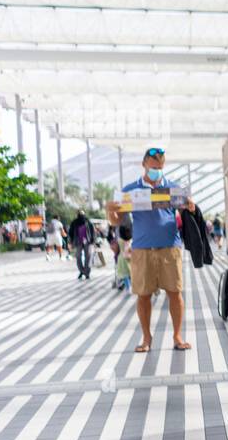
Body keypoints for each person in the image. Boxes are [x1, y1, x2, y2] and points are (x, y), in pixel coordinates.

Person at [106, 147, 196, 353]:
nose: (157, 171)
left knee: (175, 292)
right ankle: (146, 337)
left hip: (170, 248)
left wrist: (191, 206)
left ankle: (177, 335)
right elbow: (116, 220)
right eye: (154, 167)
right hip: (142, 250)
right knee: (143, 295)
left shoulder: (173, 188)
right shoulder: (129, 191)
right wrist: (110, 211)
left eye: (160, 168)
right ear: (144, 164)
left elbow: (189, 211)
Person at [69, 208, 96, 279]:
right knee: (78, 257)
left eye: (82, 214)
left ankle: (87, 272)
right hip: (78, 242)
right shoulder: (74, 222)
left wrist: (93, 241)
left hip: (88, 241)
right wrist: (71, 241)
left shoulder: (88, 222)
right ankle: (81, 271)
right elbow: (71, 232)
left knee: (88, 257)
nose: (81, 216)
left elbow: (92, 231)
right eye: (80, 214)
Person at [115, 223, 133, 293]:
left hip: (122, 258)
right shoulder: (130, 239)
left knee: (124, 274)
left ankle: (128, 287)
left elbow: (117, 249)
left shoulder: (119, 240)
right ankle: (132, 286)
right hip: (130, 257)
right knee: (131, 273)